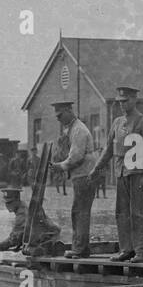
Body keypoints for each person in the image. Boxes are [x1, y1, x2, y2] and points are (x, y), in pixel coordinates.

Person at [92, 85, 143, 262]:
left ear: (134, 100)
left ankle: (141, 251)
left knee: (139, 213)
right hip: (121, 173)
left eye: (125, 101)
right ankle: (126, 249)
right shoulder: (117, 122)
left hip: (138, 173)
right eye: (119, 101)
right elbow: (108, 149)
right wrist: (96, 168)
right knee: (121, 213)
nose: (121, 104)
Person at [51, 101, 97, 258]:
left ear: (69, 111)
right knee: (79, 212)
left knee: (80, 212)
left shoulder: (78, 130)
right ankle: (81, 248)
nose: (58, 119)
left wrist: (59, 166)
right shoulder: (72, 128)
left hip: (84, 176)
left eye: (60, 115)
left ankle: (79, 249)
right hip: (82, 175)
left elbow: (75, 157)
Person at [0, 187, 62, 256]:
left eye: (10, 202)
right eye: (6, 202)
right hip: (49, 237)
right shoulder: (24, 206)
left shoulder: (22, 214)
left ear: (17, 199)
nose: (7, 205)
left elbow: (13, 239)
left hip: (47, 241)